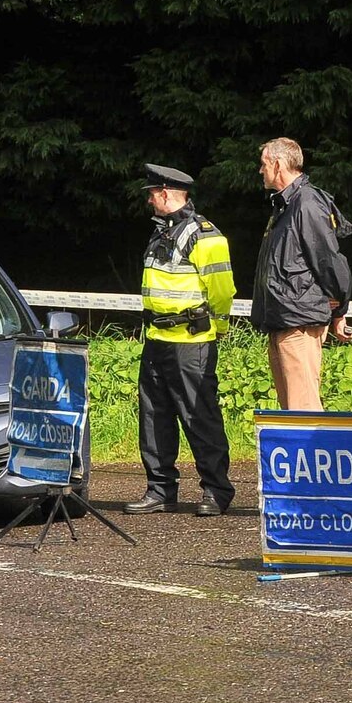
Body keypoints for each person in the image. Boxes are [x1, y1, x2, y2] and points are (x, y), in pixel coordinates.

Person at [125, 163, 237, 517]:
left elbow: (223, 291)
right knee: (154, 417)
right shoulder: (161, 232)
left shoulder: (206, 236)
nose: (149, 201)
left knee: (199, 417)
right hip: (157, 337)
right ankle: (160, 490)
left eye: (151, 194)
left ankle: (216, 491)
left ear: (164, 193)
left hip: (192, 341)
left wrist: (216, 326)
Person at [253, 137, 352, 410]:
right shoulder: (286, 205)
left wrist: (339, 309)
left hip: (299, 321)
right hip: (284, 319)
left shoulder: (306, 203)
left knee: (303, 408)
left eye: (264, 165)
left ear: (277, 164)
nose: (261, 171)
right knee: (291, 408)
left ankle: (312, 453)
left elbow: (329, 261)